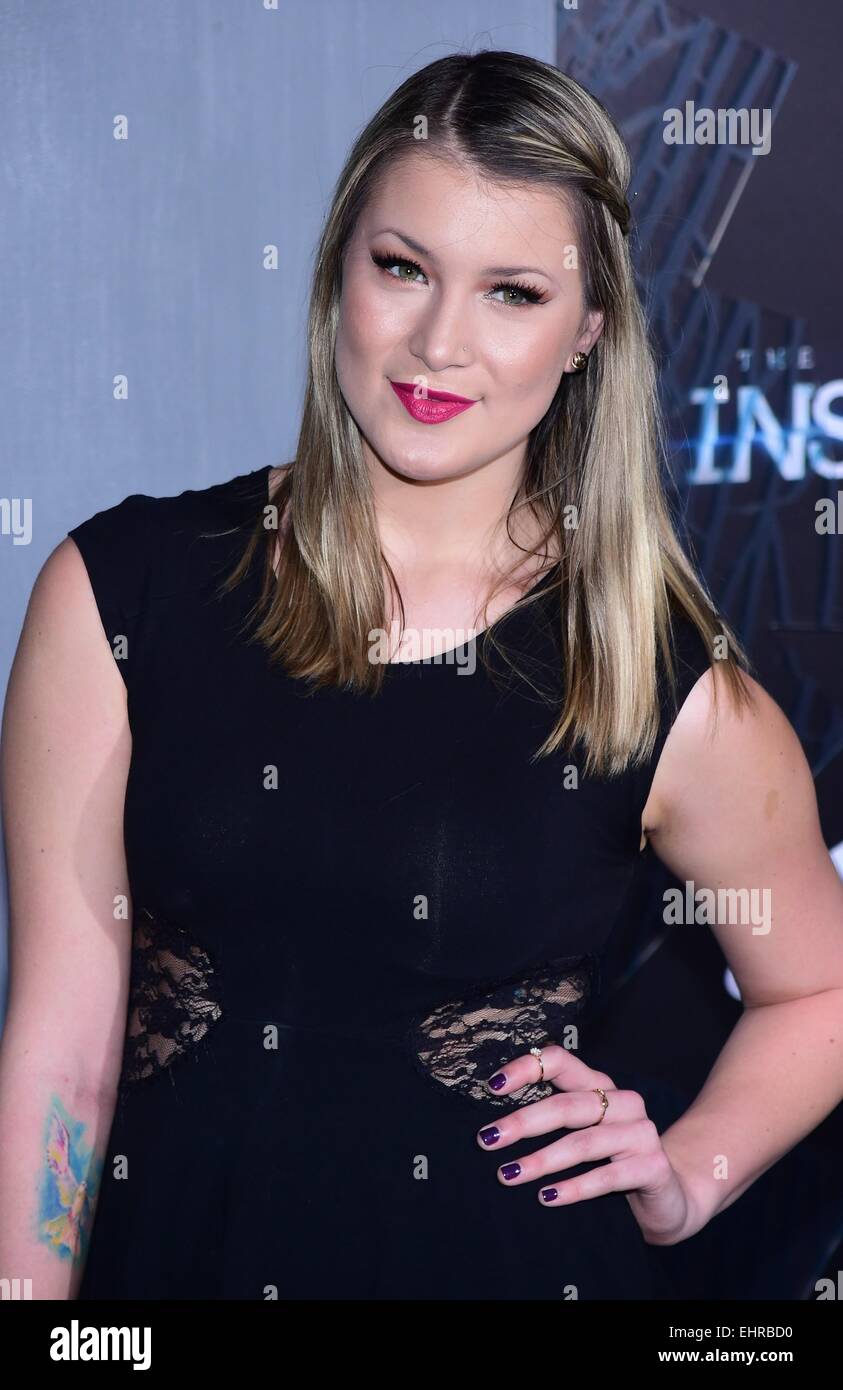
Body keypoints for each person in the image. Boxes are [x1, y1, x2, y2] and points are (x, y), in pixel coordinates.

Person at [1, 49, 842, 1302]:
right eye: (404, 267)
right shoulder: (121, 593)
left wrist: (688, 1174)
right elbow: (64, 1053)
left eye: (512, 293)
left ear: (586, 337)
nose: (440, 342)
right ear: (340, 266)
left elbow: (820, 988)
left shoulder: (652, 676)